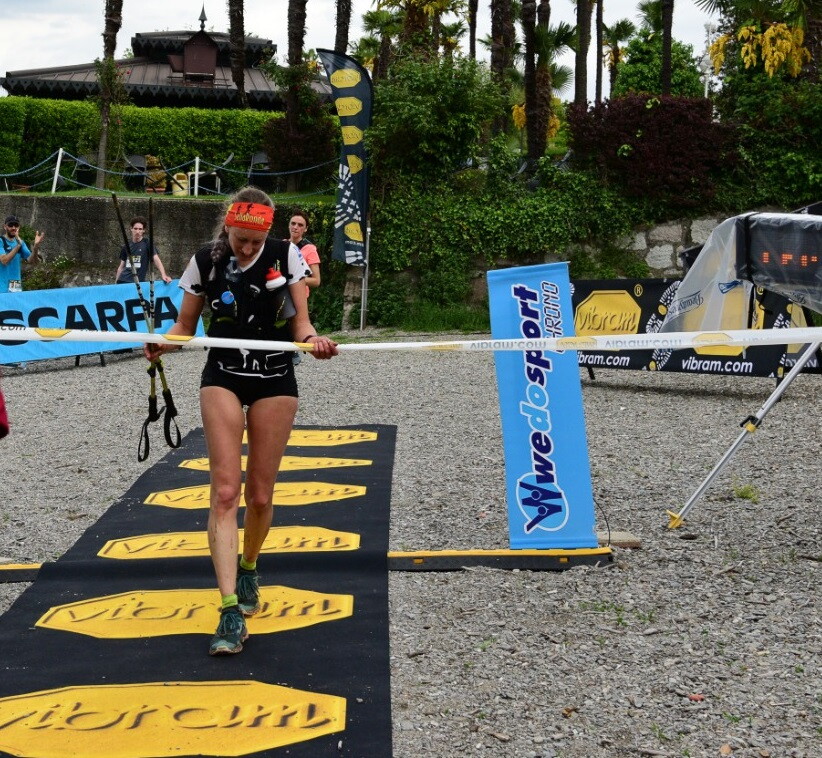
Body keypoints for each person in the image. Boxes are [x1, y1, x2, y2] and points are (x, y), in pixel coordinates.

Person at [144, 187, 338, 656]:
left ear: (268, 233)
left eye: (255, 241)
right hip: (223, 376)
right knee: (226, 492)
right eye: (239, 239)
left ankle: (250, 566)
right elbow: (185, 327)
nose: (247, 249)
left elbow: (300, 324)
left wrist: (314, 342)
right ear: (227, 228)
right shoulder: (205, 260)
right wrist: (162, 343)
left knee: (261, 495)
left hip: (275, 378)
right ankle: (229, 607)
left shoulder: (287, 255)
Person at [115, 216, 172, 284]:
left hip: (137, 283)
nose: (137, 231)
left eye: (140, 229)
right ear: (131, 229)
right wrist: (115, 284)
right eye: (135, 228)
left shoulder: (147, 243)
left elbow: (156, 259)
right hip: (123, 280)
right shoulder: (126, 246)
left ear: (143, 230)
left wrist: (163, 275)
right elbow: (121, 267)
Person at [1, 215, 43, 293]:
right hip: (2, 285)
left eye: (16, 225)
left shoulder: (21, 242)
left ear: (19, 227)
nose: (13, 228)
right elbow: (4, 261)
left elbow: (32, 261)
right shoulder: (1, 241)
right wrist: (18, 245)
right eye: (10, 225)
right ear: (5, 227)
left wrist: (35, 247)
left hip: (15, 285)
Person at [287, 212, 321, 296]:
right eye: (293, 223)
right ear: (289, 225)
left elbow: (316, 281)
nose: (295, 227)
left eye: (300, 225)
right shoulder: (282, 244)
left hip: (299, 297)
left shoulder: (310, 249)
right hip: (280, 294)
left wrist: (290, 280)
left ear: (306, 229)